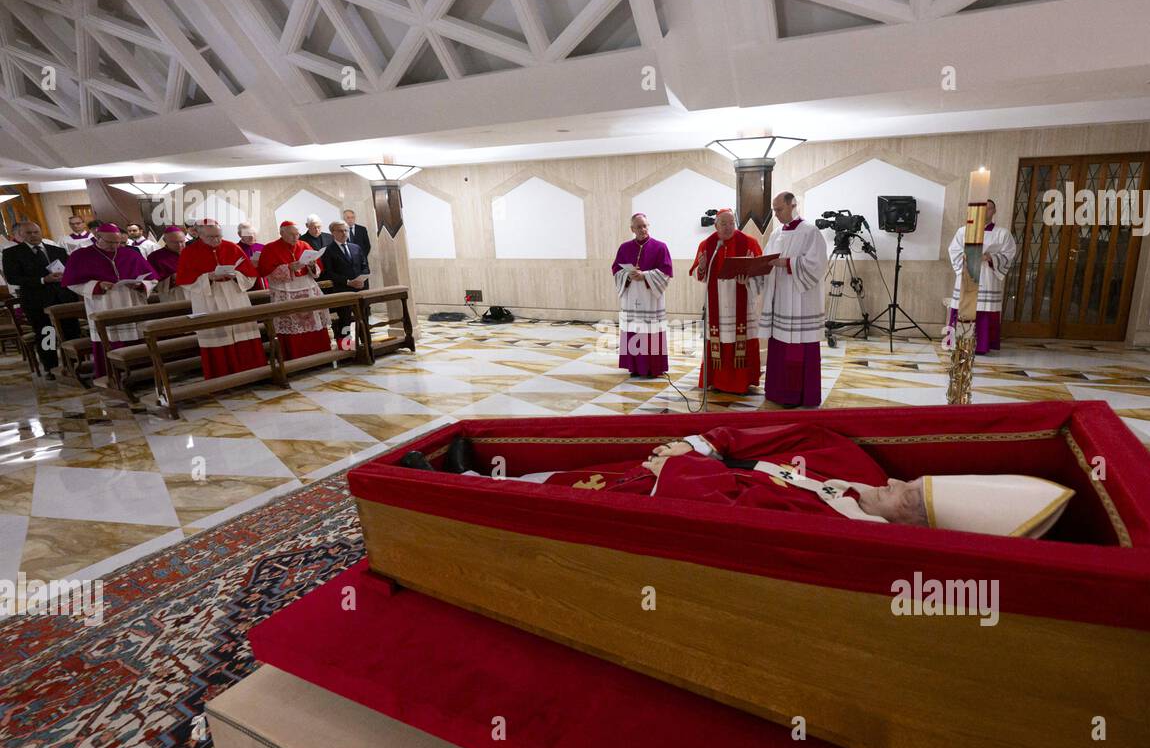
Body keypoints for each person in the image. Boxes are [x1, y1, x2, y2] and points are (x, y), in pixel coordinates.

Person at [414, 420, 1072, 538]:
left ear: (908, 521)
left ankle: (454, 490)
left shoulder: (845, 527)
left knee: (568, 494)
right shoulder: (855, 465)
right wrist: (693, 442)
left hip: (660, 499)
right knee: (575, 472)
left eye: (899, 498)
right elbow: (766, 438)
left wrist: (677, 466)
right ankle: (476, 474)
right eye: (904, 481)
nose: (887, 486)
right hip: (675, 467)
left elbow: (729, 516)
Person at [751, 192, 827, 408]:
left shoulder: (810, 231)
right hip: (779, 301)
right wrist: (751, 273)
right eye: (774, 210)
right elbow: (766, 263)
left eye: (779, 209)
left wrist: (788, 264)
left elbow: (817, 264)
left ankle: (801, 396)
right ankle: (777, 393)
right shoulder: (776, 234)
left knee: (800, 352)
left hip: (801, 304)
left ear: (793, 205)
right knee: (779, 350)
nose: (776, 214)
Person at [61, 224, 156, 378]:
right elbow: (72, 283)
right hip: (103, 304)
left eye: (118, 242)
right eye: (111, 242)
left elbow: (152, 279)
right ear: (97, 238)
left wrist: (141, 285)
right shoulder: (81, 256)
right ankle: (112, 376)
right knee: (109, 340)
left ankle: (144, 374)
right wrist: (97, 285)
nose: (115, 246)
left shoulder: (130, 254)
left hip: (131, 302)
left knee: (137, 340)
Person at [175, 221, 264, 378]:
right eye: (211, 237)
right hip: (209, 299)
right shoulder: (189, 252)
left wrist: (235, 275)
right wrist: (208, 277)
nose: (216, 240)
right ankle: (223, 375)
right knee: (217, 335)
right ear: (199, 235)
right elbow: (185, 281)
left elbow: (249, 274)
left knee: (242, 329)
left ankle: (253, 372)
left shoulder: (232, 247)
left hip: (234, 294)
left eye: (218, 236)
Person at [690, 208, 763, 394]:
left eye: (732, 223)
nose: (729, 227)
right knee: (718, 338)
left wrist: (749, 278)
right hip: (717, 304)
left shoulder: (749, 242)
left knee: (742, 339)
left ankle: (742, 382)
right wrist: (703, 267)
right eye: (724, 224)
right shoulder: (707, 244)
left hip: (741, 300)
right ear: (715, 225)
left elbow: (761, 273)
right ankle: (717, 381)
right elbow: (699, 274)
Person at [1, 221, 80, 379]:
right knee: (46, 333)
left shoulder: (56, 250)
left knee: (71, 330)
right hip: (36, 300)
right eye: (28, 233)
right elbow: (13, 278)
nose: (33, 235)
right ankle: (51, 367)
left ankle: (76, 364)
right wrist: (43, 280)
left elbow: (70, 270)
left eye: (36, 232)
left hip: (62, 298)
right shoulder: (13, 253)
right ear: (20, 235)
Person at [947, 199, 1016, 355]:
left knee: (983, 309)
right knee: (964, 306)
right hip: (967, 273)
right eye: (983, 209)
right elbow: (954, 250)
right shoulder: (963, 231)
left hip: (987, 276)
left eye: (989, 209)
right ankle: (959, 342)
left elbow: (1009, 253)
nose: (986, 212)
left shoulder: (1002, 233)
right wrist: (964, 256)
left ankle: (981, 345)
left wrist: (991, 257)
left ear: (994, 211)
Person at [256, 220, 332, 359]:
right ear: (281, 233)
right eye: (292, 234)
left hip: (308, 287)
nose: (295, 237)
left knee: (315, 322)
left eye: (297, 234)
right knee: (291, 325)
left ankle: (321, 355)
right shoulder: (270, 248)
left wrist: (312, 265)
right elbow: (265, 272)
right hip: (285, 290)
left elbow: (317, 271)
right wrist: (288, 268)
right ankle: (295, 358)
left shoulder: (304, 245)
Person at [611, 213, 672, 378]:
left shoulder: (660, 247)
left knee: (651, 331)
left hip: (651, 296)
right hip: (632, 297)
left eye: (645, 226)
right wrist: (628, 275)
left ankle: (653, 368)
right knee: (634, 330)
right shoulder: (624, 248)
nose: (643, 229)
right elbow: (616, 270)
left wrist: (645, 275)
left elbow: (666, 272)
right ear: (632, 229)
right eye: (639, 227)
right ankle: (635, 367)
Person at [319, 219, 370, 347]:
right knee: (345, 320)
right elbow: (328, 273)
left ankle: (366, 343)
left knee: (364, 318)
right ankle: (346, 347)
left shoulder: (355, 247)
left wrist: (361, 279)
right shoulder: (328, 250)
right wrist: (348, 282)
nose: (344, 233)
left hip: (359, 289)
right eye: (340, 231)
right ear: (333, 233)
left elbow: (365, 266)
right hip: (341, 290)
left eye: (346, 230)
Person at [148, 226, 188, 302]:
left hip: (195, 292)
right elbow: (152, 281)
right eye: (175, 242)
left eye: (182, 241)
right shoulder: (154, 257)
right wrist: (172, 278)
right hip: (173, 295)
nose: (180, 245)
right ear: (165, 240)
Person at [237, 223, 267, 290]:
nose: (251, 236)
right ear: (240, 234)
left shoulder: (262, 247)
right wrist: (249, 266)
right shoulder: (235, 249)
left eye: (253, 233)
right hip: (247, 286)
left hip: (264, 284)